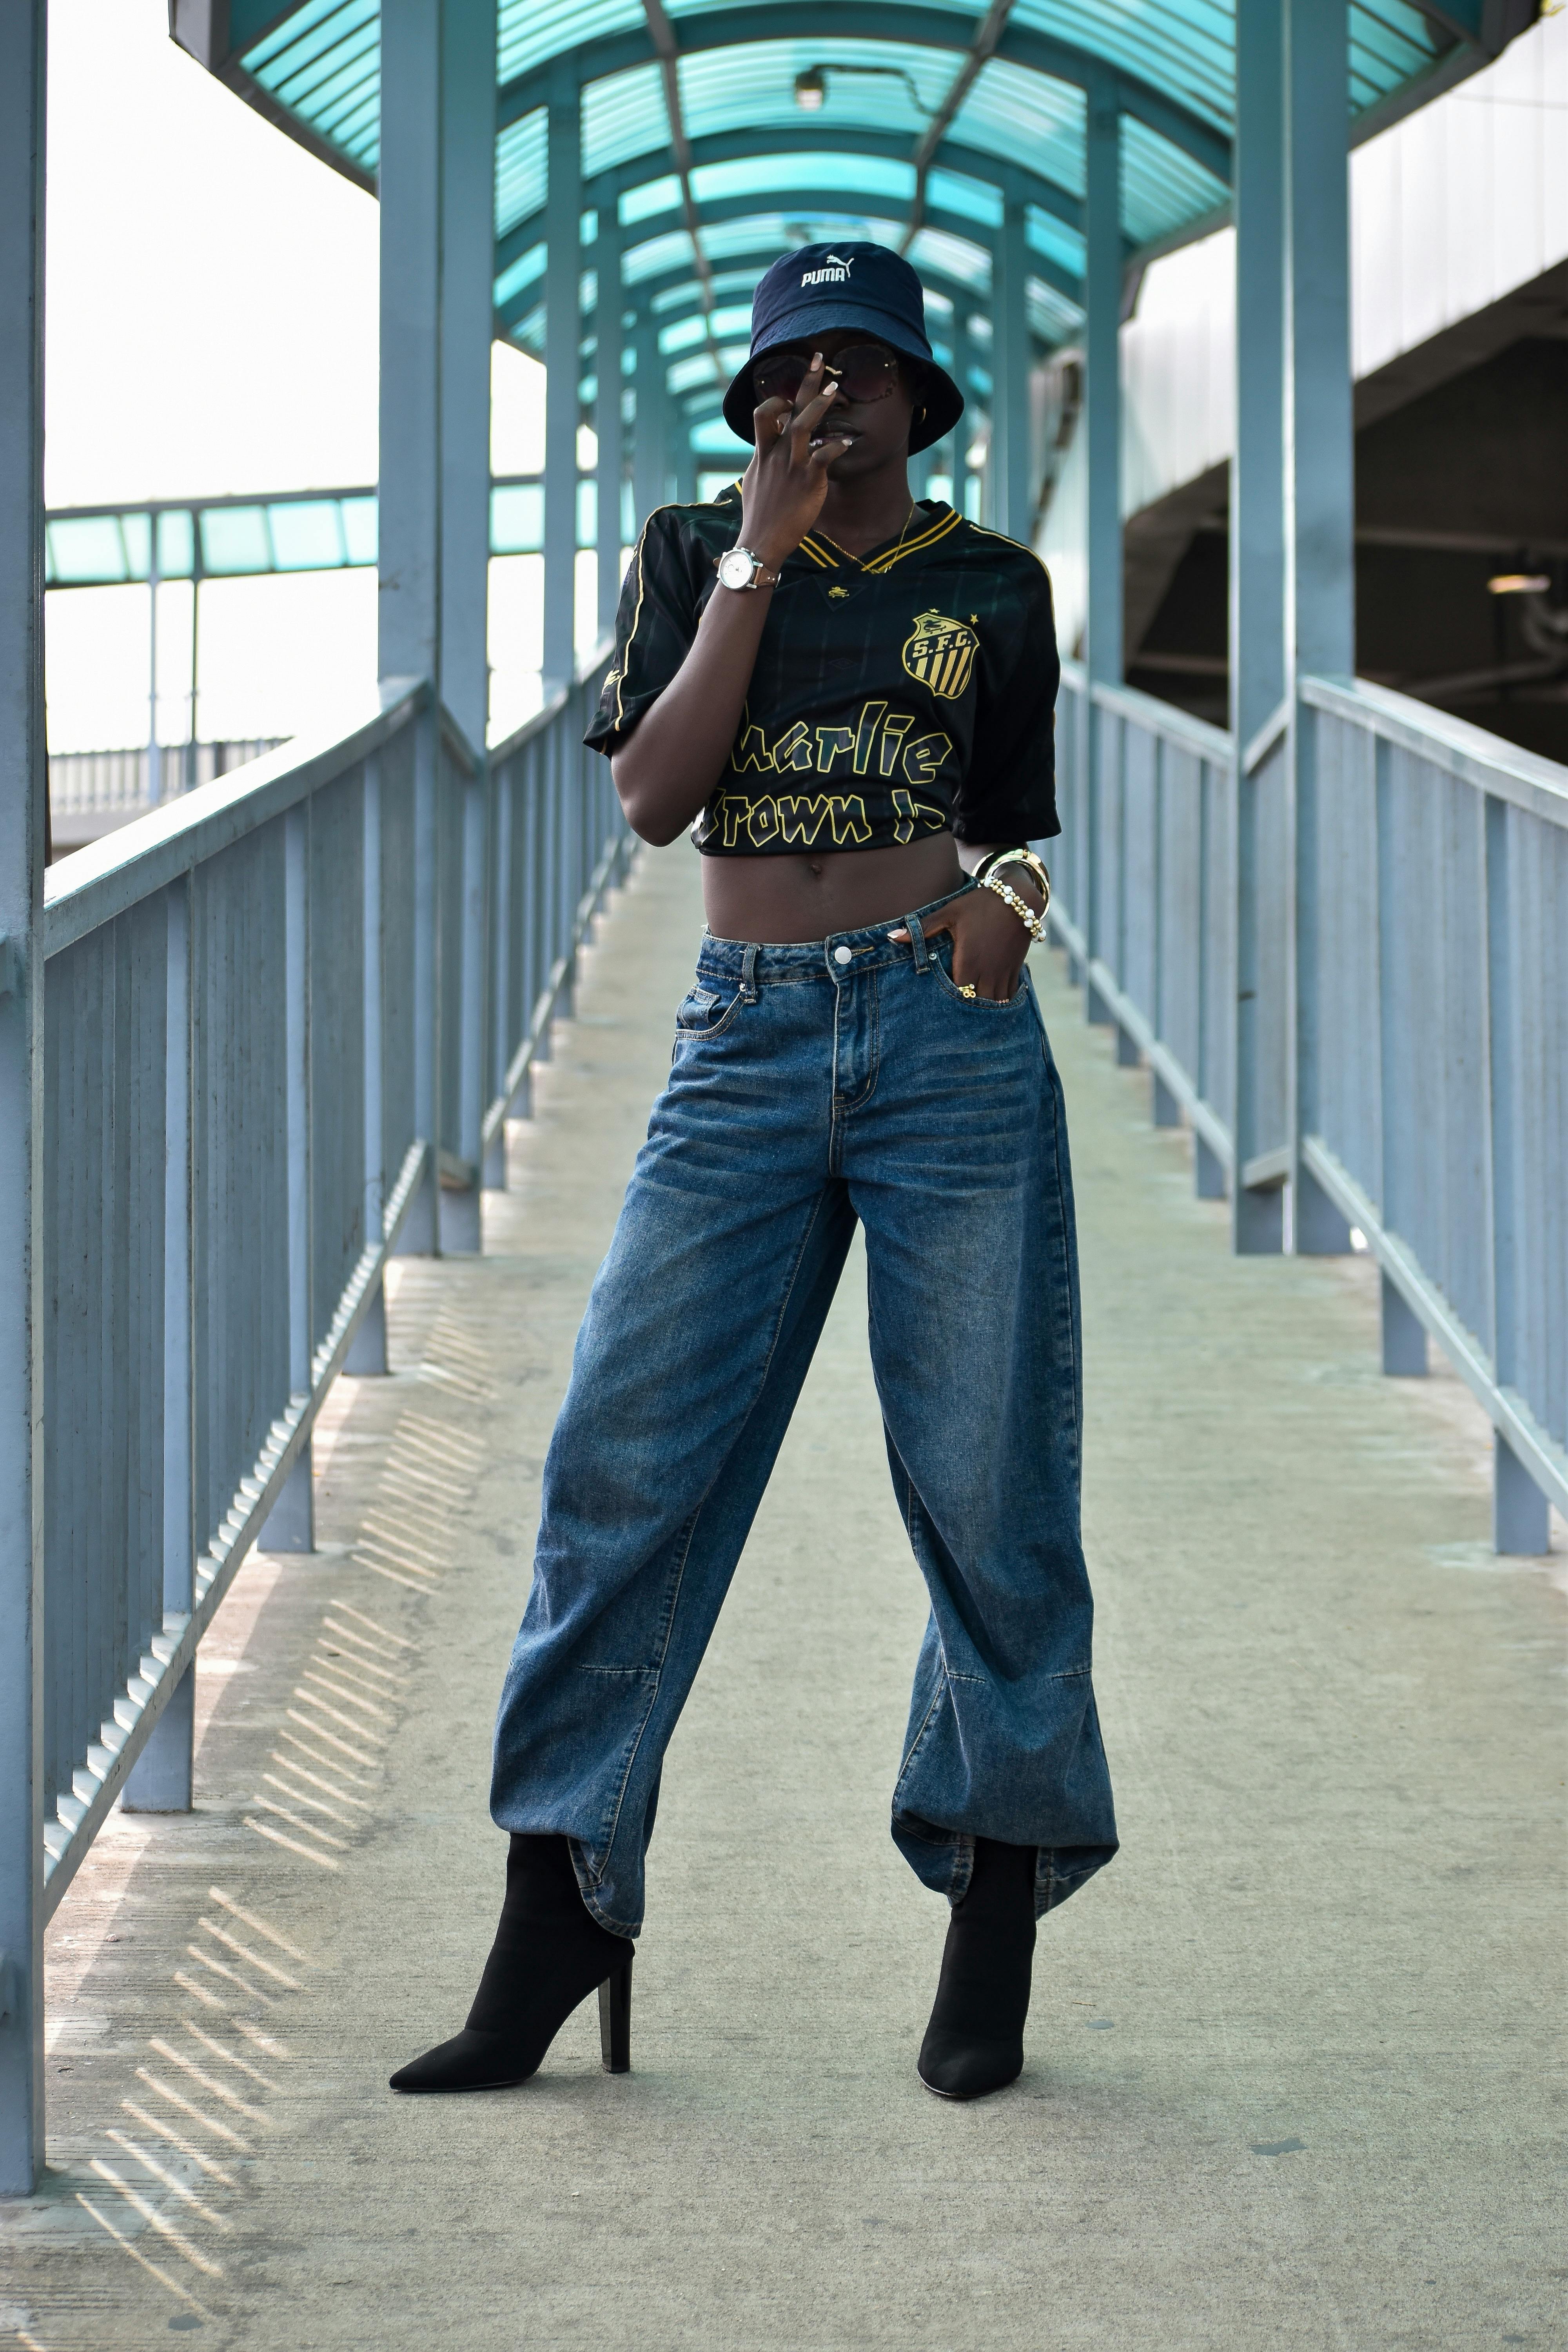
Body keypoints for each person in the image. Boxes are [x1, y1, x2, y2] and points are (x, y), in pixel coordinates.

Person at [391, 242, 1117, 2106]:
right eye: (797, 366)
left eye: (863, 364)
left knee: (986, 1485)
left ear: (920, 392)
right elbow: (653, 798)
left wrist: (1006, 915)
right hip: (740, 1039)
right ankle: (559, 1904)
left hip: (943, 1051)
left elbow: (1019, 831)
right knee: (620, 1457)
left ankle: (994, 1905)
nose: (830, 394)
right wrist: (756, 551)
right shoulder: (683, 553)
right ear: (754, 399)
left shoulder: (990, 586)